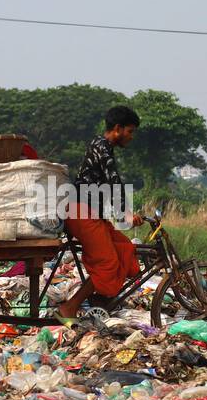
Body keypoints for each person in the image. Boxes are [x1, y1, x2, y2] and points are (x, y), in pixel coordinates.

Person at [57, 105, 144, 319]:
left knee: (124, 248)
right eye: (130, 131)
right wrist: (124, 213)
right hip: (81, 211)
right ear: (117, 128)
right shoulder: (101, 146)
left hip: (92, 212)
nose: (131, 137)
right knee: (107, 262)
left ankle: (99, 301)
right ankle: (70, 307)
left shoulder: (104, 147)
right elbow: (113, 181)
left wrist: (124, 212)